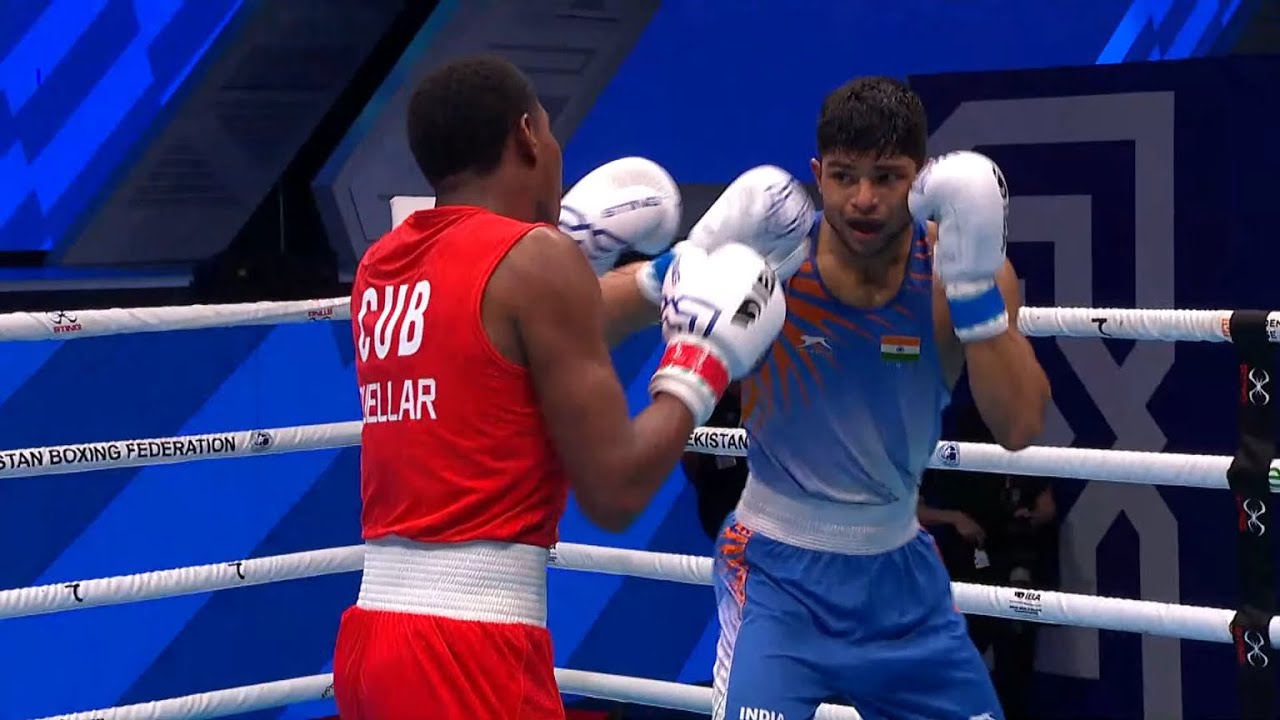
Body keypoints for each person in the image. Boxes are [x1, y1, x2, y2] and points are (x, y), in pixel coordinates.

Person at [331, 55, 790, 720]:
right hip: (469, 654)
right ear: (525, 135)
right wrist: (702, 361)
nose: (556, 152)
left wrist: (670, 272)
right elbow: (616, 491)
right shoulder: (536, 263)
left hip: (375, 641)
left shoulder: (385, 264)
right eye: (549, 134)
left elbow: (527, 336)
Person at [625, 77, 1052, 719]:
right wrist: (682, 275)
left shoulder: (956, 271)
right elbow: (659, 349)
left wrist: (973, 295)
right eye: (846, 176)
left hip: (901, 583)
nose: (864, 200)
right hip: (777, 576)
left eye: (887, 177)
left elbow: (1019, 425)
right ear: (817, 175)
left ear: (923, 178)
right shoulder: (774, 264)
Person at [919, 397, 1059, 720]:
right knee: (956, 656)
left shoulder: (1023, 448)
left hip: (1012, 562)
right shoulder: (951, 446)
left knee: (1016, 659)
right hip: (966, 568)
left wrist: (1031, 516)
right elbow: (912, 508)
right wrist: (953, 517)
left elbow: (1047, 505)